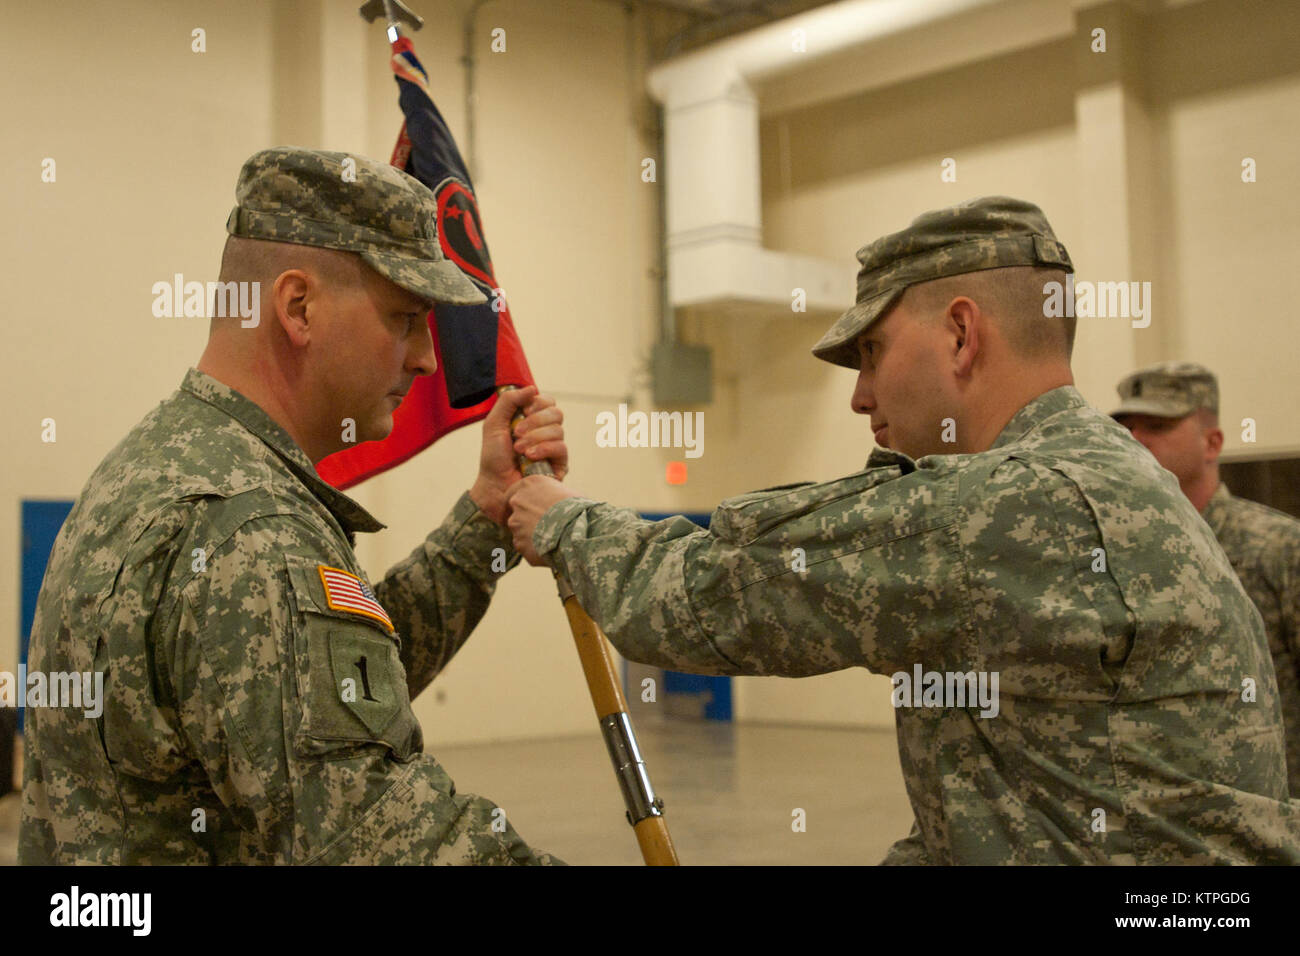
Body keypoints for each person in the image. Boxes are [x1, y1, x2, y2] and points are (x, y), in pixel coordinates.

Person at [506, 196, 1300, 864]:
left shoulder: (1015, 504)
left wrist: (563, 519)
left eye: (872, 352)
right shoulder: (1106, 478)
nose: (860, 396)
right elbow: (1012, 803)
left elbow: (705, 602)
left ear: (961, 333)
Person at [20, 147, 567, 865]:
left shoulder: (161, 465)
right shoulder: (251, 529)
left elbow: (320, 689)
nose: (428, 359)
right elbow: (390, 846)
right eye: (405, 319)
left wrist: (485, 514)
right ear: (298, 308)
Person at [1113, 361, 1300, 798]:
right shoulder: (1118, 554)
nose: (1135, 441)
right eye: (1125, 428)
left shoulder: (1278, 547)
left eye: (1157, 426)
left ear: (1212, 443)